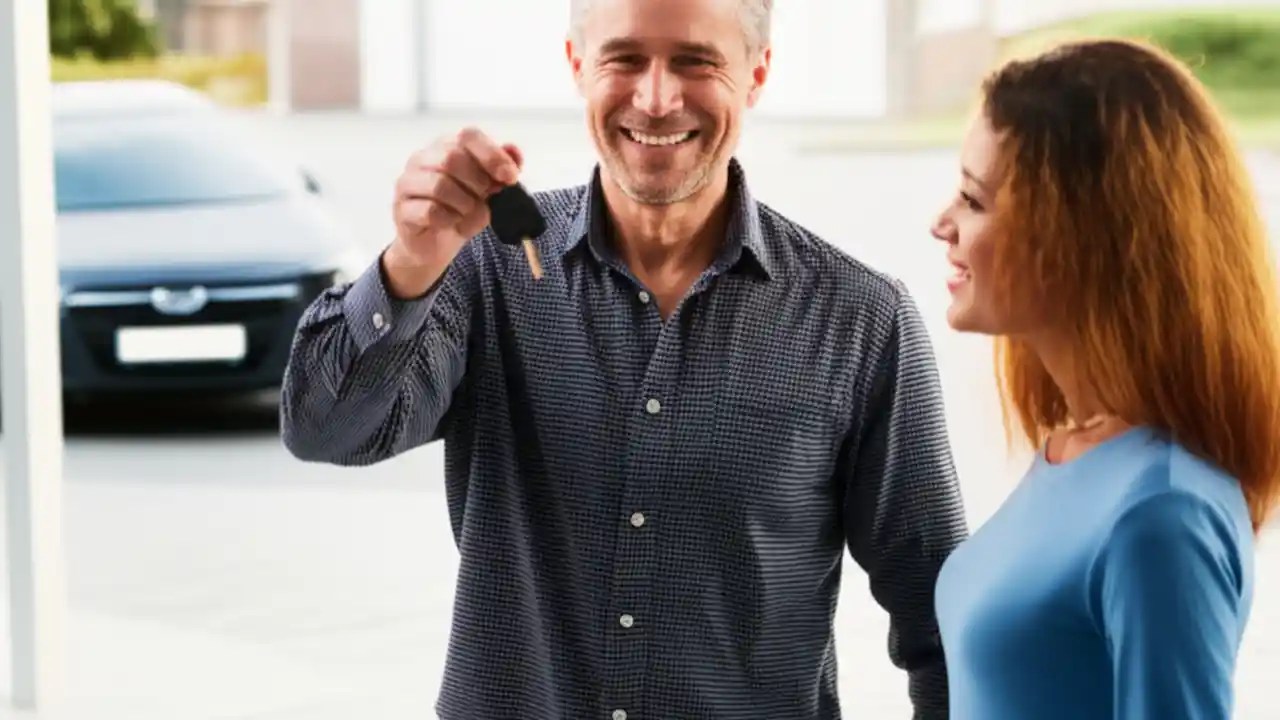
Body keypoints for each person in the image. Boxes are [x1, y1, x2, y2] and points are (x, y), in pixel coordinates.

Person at [280, 0, 969, 717]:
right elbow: (324, 428)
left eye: (695, 61)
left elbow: (942, 621)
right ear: (578, 64)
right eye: (626, 59)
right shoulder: (481, 269)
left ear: (757, 73)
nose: (657, 98)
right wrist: (411, 264)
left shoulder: (859, 319)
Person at [930, 37, 1280, 720]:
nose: (942, 224)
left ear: (1078, 236)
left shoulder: (1162, 514)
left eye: (973, 200)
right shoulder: (1075, 454)